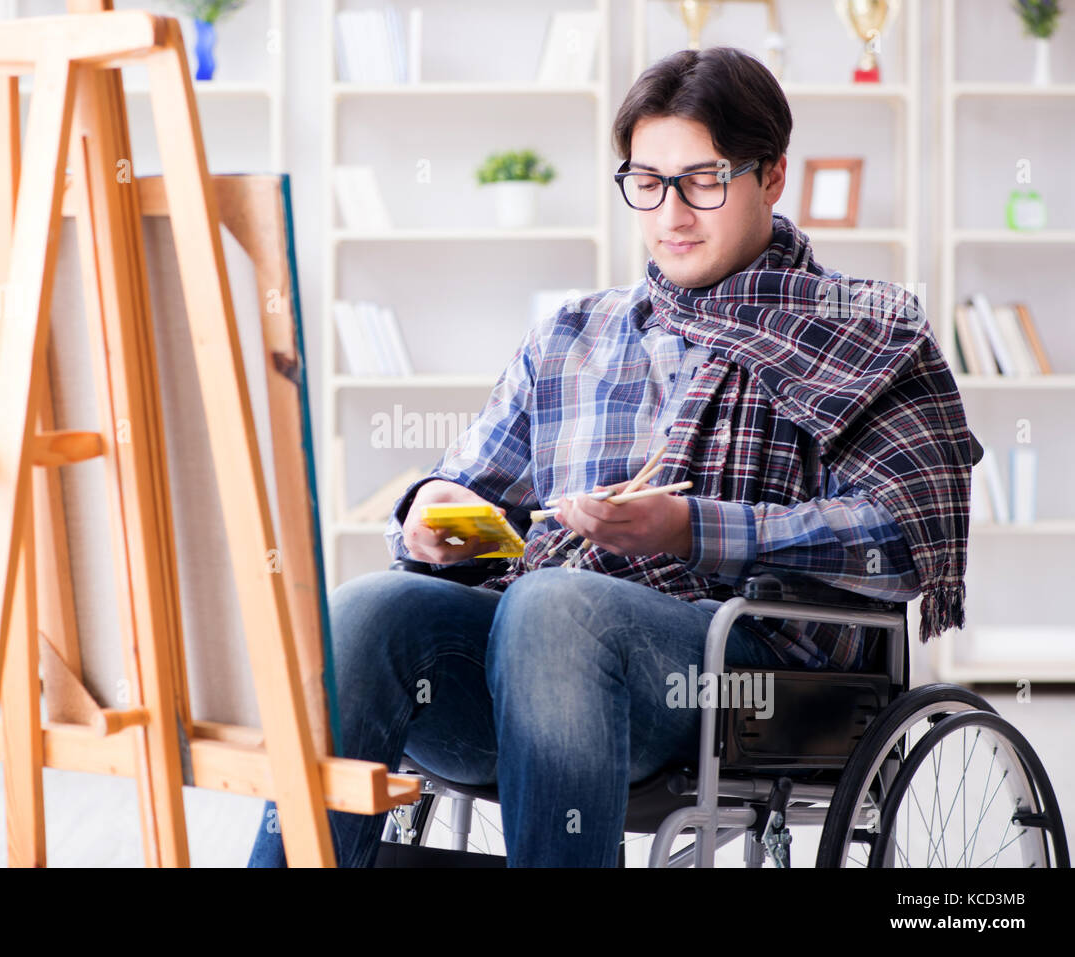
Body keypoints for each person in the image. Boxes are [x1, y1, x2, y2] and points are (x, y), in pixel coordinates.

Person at [247, 46, 972, 867]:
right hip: (536, 670)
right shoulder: (571, 335)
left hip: (756, 683)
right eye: (648, 183)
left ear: (772, 176)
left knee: (557, 608)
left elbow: (899, 538)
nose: (672, 214)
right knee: (365, 613)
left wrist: (690, 528)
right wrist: (430, 516)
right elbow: (466, 489)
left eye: (703, 181)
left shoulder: (867, 327)